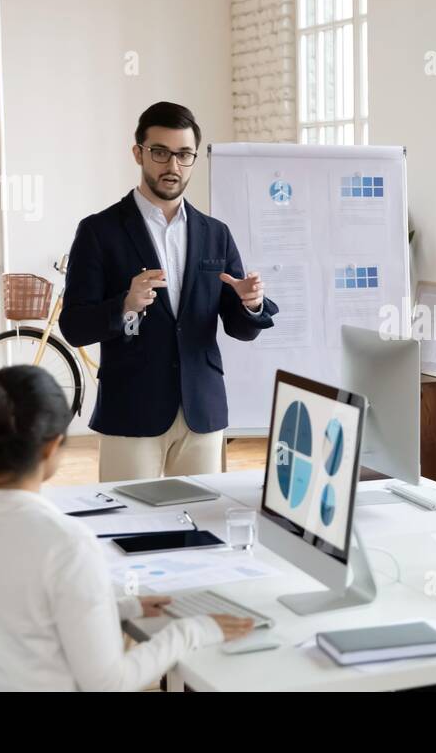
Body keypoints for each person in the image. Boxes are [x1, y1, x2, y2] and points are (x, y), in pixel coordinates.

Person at [0, 365, 253, 691]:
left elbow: (12, 615)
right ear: (51, 447)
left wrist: (120, 607)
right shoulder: (66, 544)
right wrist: (193, 630)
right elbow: (109, 684)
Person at [60, 101, 278, 482]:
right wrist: (125, 305)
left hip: (202, 412)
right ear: (138, 153)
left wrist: (250, 303)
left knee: (201, 527)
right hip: (131, 410)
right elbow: (75, 326)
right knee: (129, 528)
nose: (172, 166)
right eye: (160, 152)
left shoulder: (216, 233)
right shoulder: (99, 232)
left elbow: (240, 329)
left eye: (184, 155)